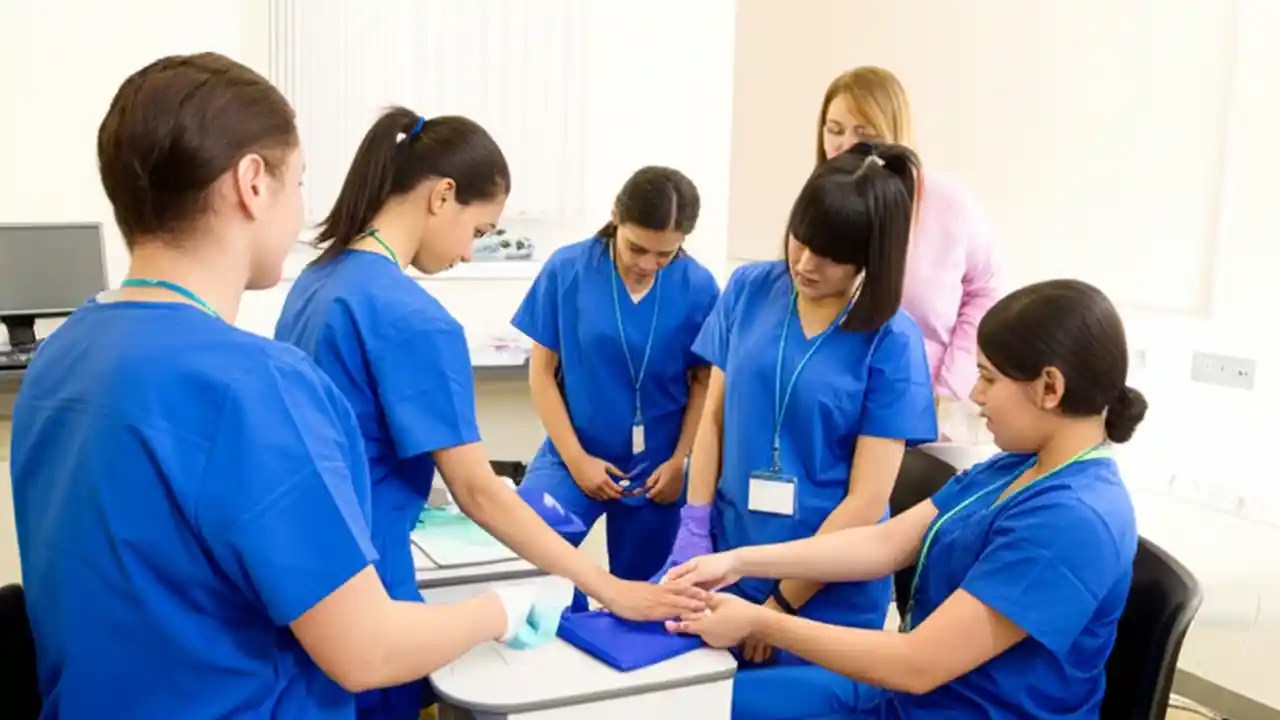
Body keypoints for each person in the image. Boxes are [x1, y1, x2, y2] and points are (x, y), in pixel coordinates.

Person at [9, 54, 555, 719]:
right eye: (299, 182)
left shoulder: (60, 356)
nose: (303, 208)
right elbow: (367, 651)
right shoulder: (256, 386)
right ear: (252, 184)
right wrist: (501, 607)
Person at [275, 109, 707, 720]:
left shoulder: (316, 281)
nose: (472, 252)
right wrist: (610, 589)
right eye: (480, 229)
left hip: (309, 575)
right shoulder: (413, 317)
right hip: (369, 585)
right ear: (442, 196)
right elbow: (478, 490)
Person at [667, 279, 1147, 720]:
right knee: (694, 704)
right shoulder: (1017, 466)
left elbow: (917, 664)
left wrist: (760, 622)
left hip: (960, 705)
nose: (976, 395)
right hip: (912, 697)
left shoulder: (1074, 520)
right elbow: (884, 544)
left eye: (989, 378)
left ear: (1049, 388)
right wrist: (738, 562)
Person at [659, 143, 938, 692]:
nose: (806, 264)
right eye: (801, 241)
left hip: (824, 594)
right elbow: (713, 417)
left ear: (868, 258)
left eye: (830, 256)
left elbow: (864, 502)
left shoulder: (892, 339)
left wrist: (780, 603)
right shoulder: (749, 290)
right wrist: (694, 524)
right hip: (729, 556)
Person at [511, 167, 719, 597]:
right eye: (636, 247)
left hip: (659, 471)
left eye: (665, 254)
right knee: (523, 555)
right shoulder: (568, 269)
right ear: (615, 218)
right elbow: (542, 374)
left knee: (650, 596)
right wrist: (576, 459)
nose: (647, 265)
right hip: (574, 455)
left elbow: (703, 385)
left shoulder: (697, 286)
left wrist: (681, 462)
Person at [818, 66, 999, 404]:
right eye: (834, 130)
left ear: (892, 134)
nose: (845, 145)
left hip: (923, 402)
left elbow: (985, 290)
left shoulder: (948, 204)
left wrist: (949, 387)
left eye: (863, 131)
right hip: (834, 399)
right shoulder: (820, 207)